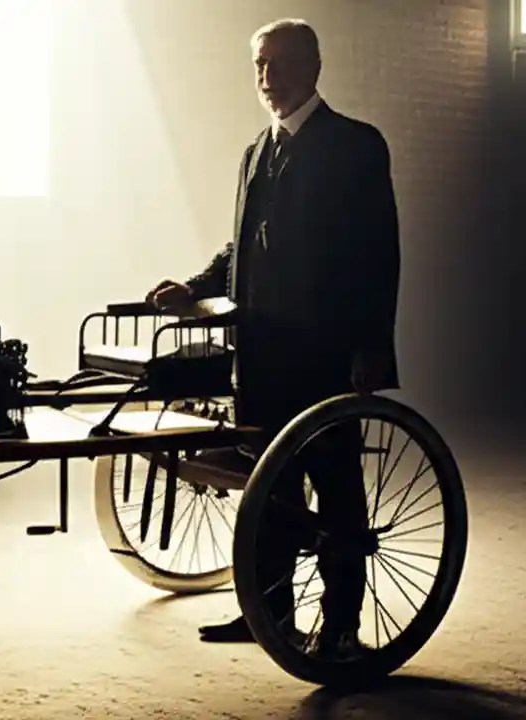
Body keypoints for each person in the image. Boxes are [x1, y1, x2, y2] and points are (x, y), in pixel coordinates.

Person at [146, 18, 400, 658]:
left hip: (324, 352)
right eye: (259, 65)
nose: (267, 78)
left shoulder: (355, 145)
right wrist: (195, 286)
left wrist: (370, 346)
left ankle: (341, 623)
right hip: (261, 352)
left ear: (313, 67)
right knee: (270, 489)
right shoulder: (256, 152)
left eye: (280, 64)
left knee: (336, 486)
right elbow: (243, 249)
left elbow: (379, 253)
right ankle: (269, 613)